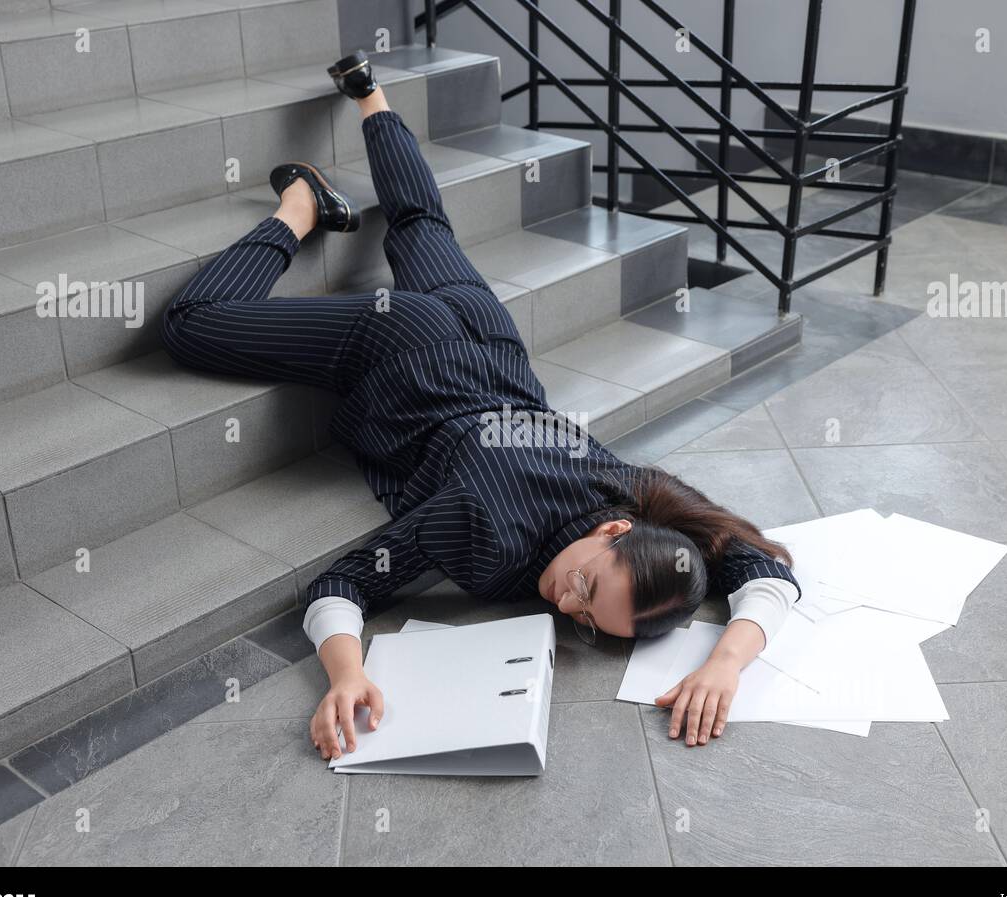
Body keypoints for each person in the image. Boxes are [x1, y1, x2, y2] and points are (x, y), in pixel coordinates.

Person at [162, 51, 800, 761]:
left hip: (487, 336)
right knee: (192, 322)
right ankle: (301, 205)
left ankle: (369, 95)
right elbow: (345, 581)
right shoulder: (483, 523)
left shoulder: (645, 494)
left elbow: (758, 565)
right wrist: (347, 673)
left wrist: (724, 663)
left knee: (418, 221)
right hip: (398, 350)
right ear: (616, 529)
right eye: (586, 585)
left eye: (588, 620)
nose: (565, 604)